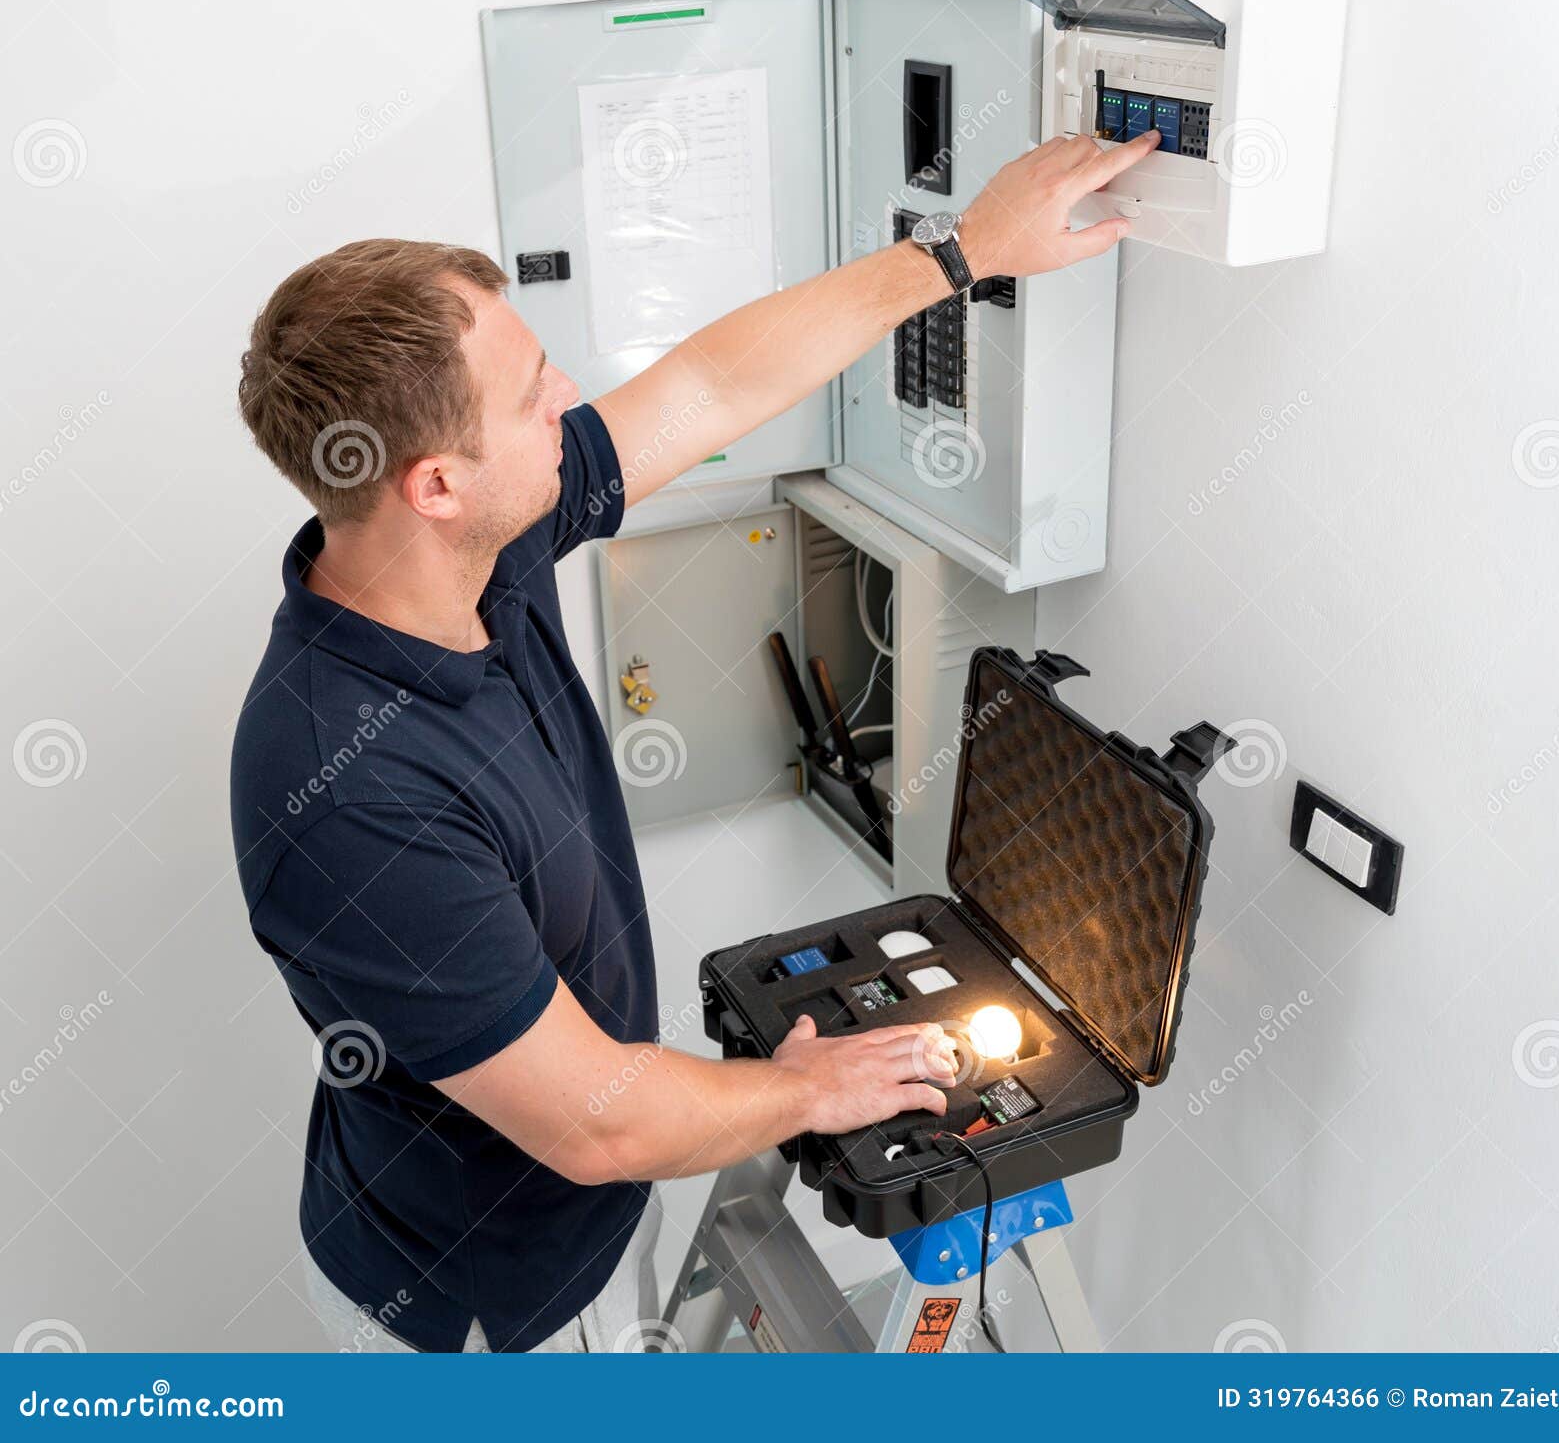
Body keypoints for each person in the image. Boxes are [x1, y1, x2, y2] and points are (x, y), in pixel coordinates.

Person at [229, 129, 1162, 1352]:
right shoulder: (344, 788)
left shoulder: (473, 555)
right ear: (434, 483)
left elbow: (708, 388)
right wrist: (808, 1089)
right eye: (531, 395)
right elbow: (595, 1122)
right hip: (481, 1309)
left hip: (589, 1226)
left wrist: (965, 250)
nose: (569, 401)